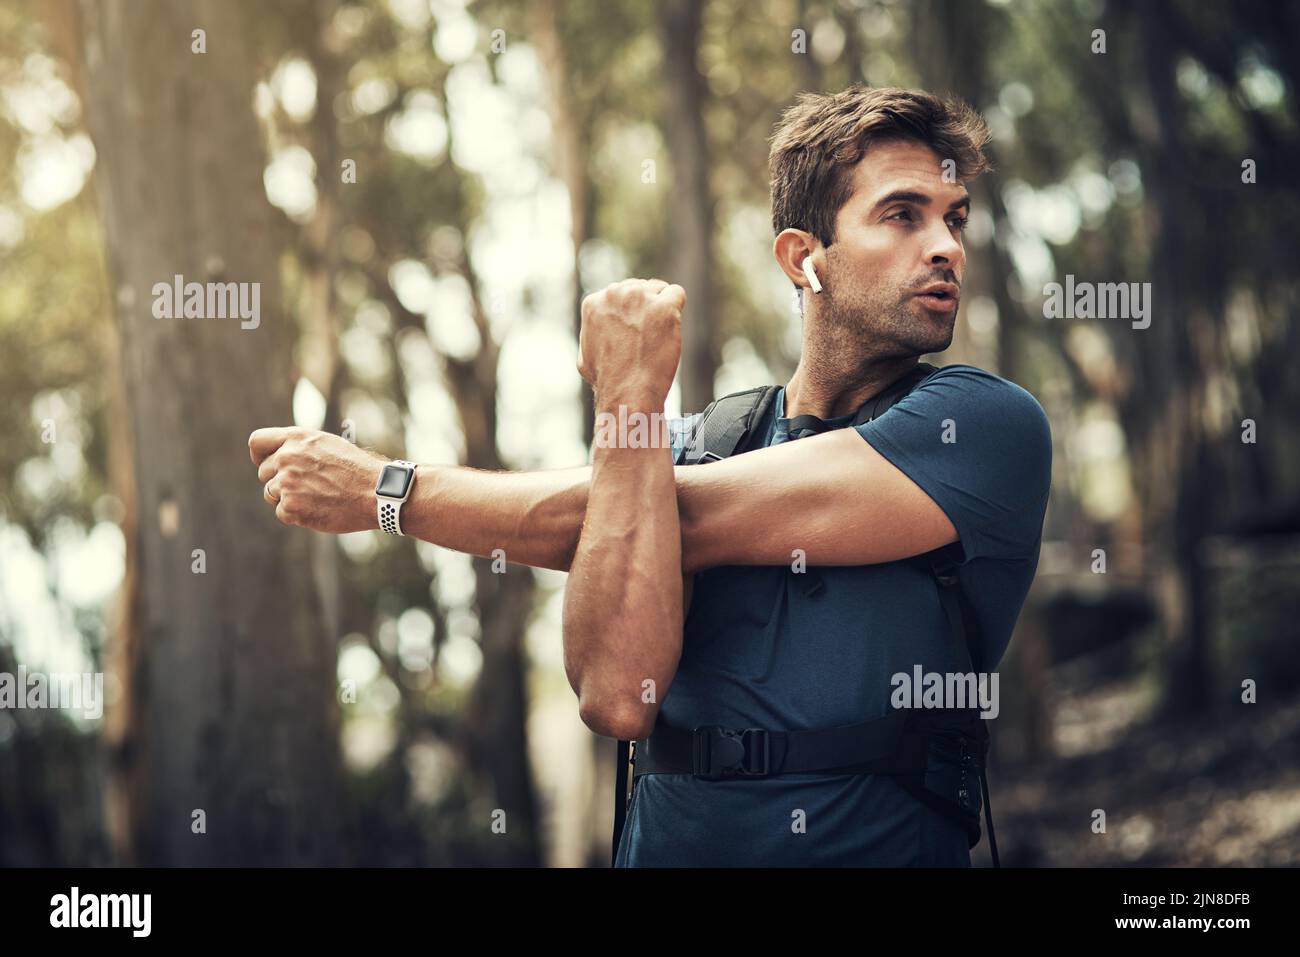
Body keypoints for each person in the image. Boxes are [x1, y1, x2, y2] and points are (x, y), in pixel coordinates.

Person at [249, 85, 1052, 867]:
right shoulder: (702, 440)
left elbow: (684, 519)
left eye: (953, 219)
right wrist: (633, 409)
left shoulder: (981, 429)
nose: (946, 245)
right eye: (902, 215)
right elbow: (614, 694)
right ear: (804, 259)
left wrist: (383, 490)